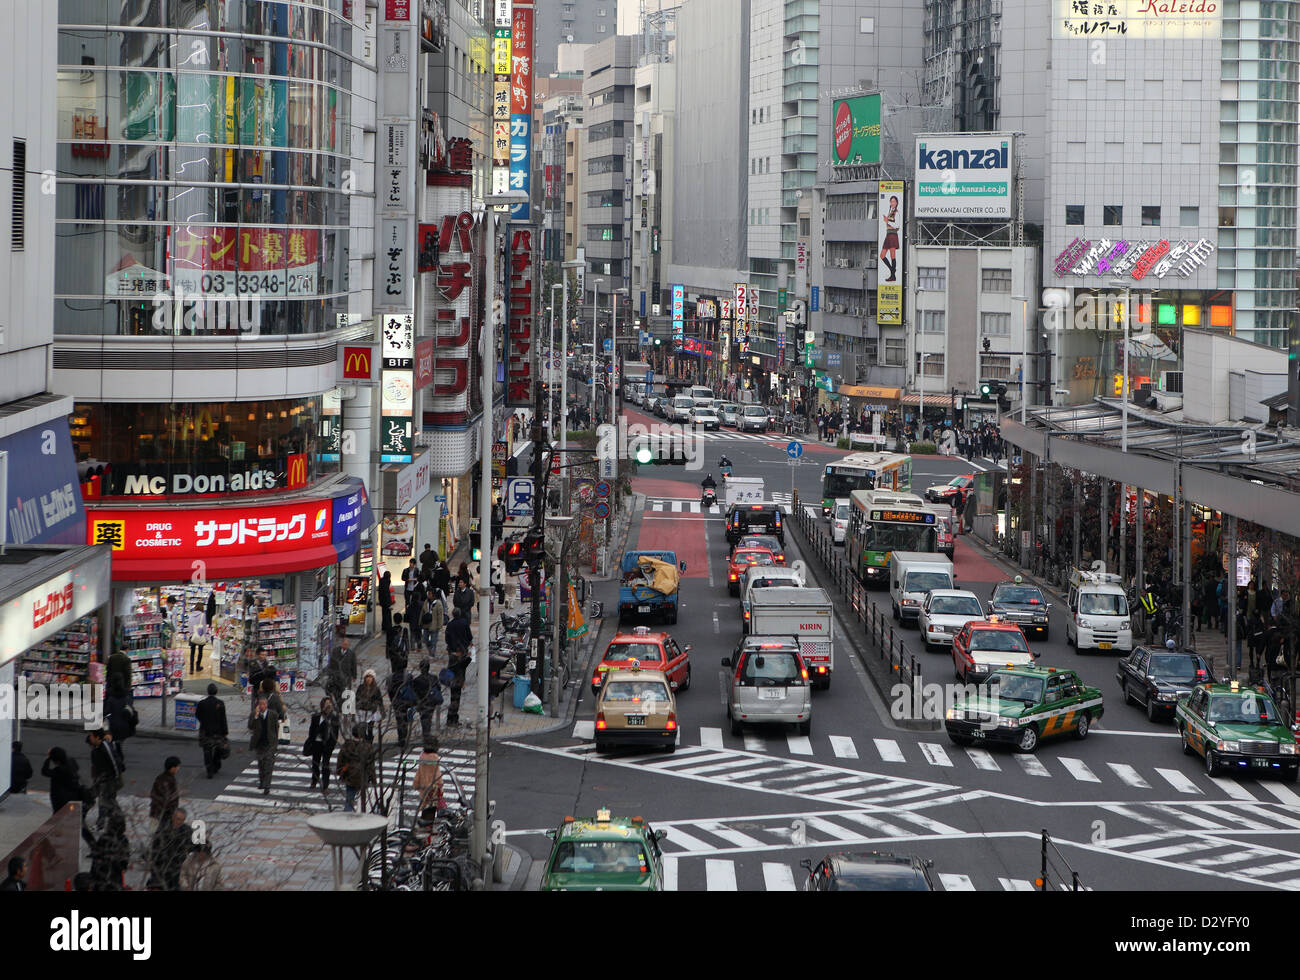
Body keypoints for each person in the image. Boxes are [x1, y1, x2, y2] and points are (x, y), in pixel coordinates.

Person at [148, 808, 196, 891]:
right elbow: (155, 848)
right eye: (178, 819)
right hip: (163, 866)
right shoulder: (163, 828)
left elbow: (192, 847)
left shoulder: (186, 830)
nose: (180, 822)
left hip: (177, 867)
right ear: (173, 817)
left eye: (182, 820)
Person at [87, 730, 123, 827]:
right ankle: (105, 822)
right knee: (102, 799)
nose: (90, 738)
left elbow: (114, 762)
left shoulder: (105, 747)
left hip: (109, 779)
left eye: (91, 736)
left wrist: (116, 778)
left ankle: (116, 820)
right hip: (102, 779)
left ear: (97, 737)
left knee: (107, 800)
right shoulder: (97, 749)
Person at [444, 607, 473, 726]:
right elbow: (469, 637)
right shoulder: (464, 623)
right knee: (457, 692)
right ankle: (453, 718)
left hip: (453, 653)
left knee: (453, 690)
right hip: (462, 651)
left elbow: (447, 639)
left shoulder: (450, 625)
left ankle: (451, 718)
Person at [337, 724, 374, 813]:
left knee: (349, 799)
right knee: (363, 800)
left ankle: (348, 816)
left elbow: (340, 759)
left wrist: (340, 771)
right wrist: (373, 779)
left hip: (350, 775)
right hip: (362, 776)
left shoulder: (347, 745)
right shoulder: (367, 747)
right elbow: (371, 765)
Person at [306, 696, 341, 792]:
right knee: (315, 763)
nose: (328, 706)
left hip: (328, 744)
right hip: (317, 743)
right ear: (322, 706)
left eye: (330, 704)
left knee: (325, 765)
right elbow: (311, 731)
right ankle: (314, 780)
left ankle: (326, 785)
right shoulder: (316, 717)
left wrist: (332, 746)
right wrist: (311, 742)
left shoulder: (334, 718)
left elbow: (335, 733)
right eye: (326, 704)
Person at [88, 812, 130, 890]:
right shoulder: (123, 839)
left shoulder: (104, 838)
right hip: (115, 875)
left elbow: (97, 855)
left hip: (101, 873)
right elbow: (125, 860)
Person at [247, 696, 280, 795]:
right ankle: (262, 781)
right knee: (261, 764)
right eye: (260, 704)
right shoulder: (254, 714)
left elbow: (276, 729)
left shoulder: (273, 714)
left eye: (264, 704)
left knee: (269, 765)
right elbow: (250, 726)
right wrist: (256, 716)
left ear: (267, 705)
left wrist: (275, 743)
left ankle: (267, 786)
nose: (262, 706)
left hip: (269, 743)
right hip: (259, 744)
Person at [196, 683, 228, 779]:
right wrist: (225, 731)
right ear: (216, 691)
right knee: (218, 748)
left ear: (207, 691)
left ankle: (209, 769)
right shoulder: (220, 703)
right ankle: (216, 765)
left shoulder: (202, 703)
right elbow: (223, 719)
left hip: (205, 731)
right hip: (218, 732)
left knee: (207, 750)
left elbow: (198, 715)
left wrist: (204, 721)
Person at [40, 747, 83, 813]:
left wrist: (48, 758)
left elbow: (44, 771)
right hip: (74, 794)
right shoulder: (71, 761)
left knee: (59, 815)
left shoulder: (59, 770)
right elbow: (77, 767)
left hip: (60, 798)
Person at [412, 736, 445, 819]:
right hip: (432, 789)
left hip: (424, 788)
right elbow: (437, 774)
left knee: (426, 810)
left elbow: (419, 772)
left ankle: (425, 826)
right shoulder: (434, 758)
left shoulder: (422, 757)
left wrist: (416, 783)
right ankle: (427, 828)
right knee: (431, 810)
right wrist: (440, 785)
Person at [388, 668, 417, 751]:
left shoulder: (390, 677)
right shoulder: (408, 676)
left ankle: (401, 738)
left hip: (397, 702)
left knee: (399, 721)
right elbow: (412, 689)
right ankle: (403, 738)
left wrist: (393, 701)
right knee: (405, 720)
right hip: (406, 702)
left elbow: (389, 691)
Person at [149, 756, 181, 830]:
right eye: (178, 767)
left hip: (159, 811)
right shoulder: (167, 780)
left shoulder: (163, 777)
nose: (178, 769)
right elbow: (167, 798)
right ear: (173, 768)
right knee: (163, 831)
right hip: (163, 813)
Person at [355, 669, 385, 741]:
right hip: (362, 711)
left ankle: (369, 743)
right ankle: (364, 742)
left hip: (371, 711)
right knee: (362, 729)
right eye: (367, 677)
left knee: (370, 729)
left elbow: (380, 701)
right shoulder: (361, 687)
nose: (369, 679)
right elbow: (357, 699)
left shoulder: (376, 689)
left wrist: (382, 713)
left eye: (370, 677)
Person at [188, 604, 209, 673]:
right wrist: (205, 637)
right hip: (200, 635)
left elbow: (189, 625)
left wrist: (191, 634)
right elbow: (204, 627)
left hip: (192, 635)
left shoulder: (191, 615)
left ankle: (191, 669)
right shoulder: (203, 615)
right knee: (200, 651)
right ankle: (198, 666)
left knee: (192, 652)